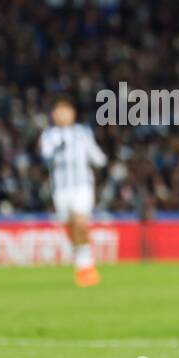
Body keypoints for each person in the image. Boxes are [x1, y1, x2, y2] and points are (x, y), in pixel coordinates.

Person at [39, 96, 106, 287]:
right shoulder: (49, 136)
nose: (63, 115)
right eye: (59, 112)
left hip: (82, 184)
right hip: (60, 188)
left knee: (80, 222)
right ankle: (83, 263)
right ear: (54, 115)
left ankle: (85, 266)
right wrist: (56, 152)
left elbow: (95, 154)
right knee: (70, 226)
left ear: (73, 114)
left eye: (66, 111)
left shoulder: (82, 133)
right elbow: (45, 157)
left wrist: (102, 160)